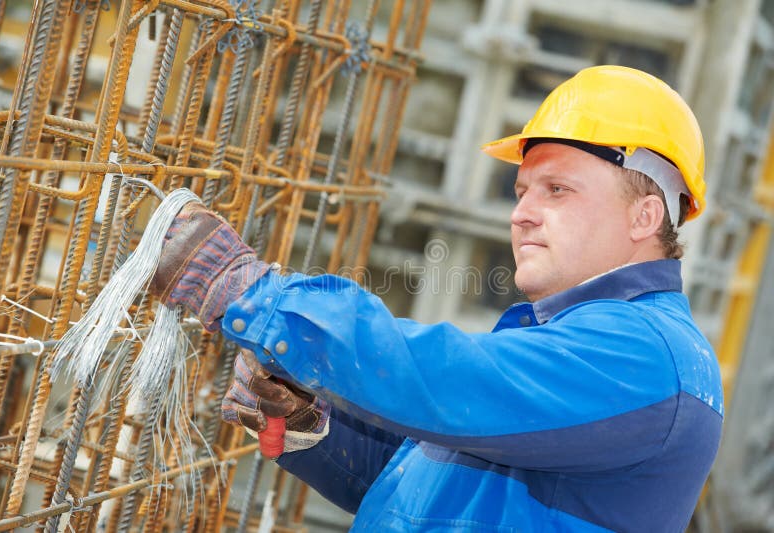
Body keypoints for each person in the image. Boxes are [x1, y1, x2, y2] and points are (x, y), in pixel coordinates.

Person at [150, 65, 723, 532]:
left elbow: (450, 382)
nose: (522, 212)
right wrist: (313, 427)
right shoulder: (563, 342)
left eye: (558, 190)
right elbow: (429, 498)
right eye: (522, 191)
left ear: (644, 216)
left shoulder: (648, 358)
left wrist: (259, 297)